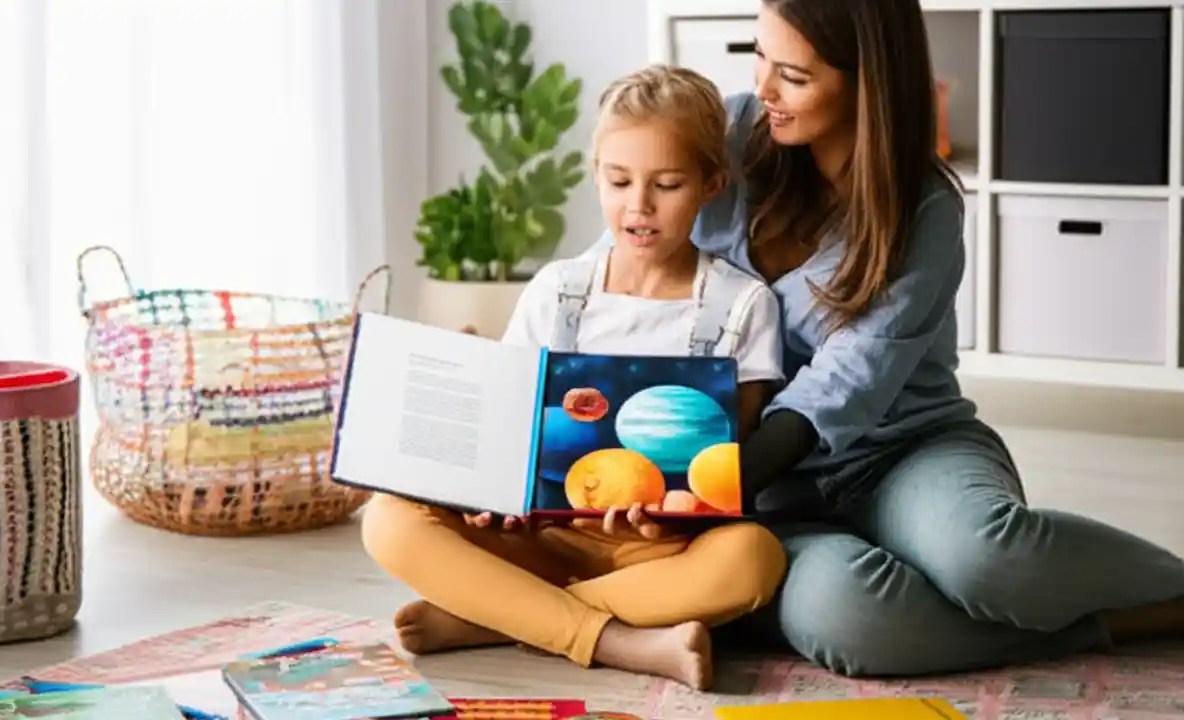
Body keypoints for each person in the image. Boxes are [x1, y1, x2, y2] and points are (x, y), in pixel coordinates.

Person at [593, 0, 1181, 677]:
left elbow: (846, 382)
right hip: (769, 495)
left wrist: (713, 489)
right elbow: (622, 266)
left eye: (794, 76)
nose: (764, 88)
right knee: (849, 617)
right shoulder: (722, 136)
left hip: (904, 451)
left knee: (989, 557)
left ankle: (1172, 591)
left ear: (867, 81)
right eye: (759, 56)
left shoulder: (924, 206)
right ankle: (1096, 626)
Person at [361, 65, 789, 691]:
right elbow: (509, 429)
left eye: (667, 184)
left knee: (754, 559)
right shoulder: (557, 289)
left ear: (711, 184)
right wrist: (492, 500)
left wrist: (669, 520)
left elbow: (726, 463)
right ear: (596, 176)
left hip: (660, 550)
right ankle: (620, 641)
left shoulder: (744, 306)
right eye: (619, 181)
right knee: (386, 518)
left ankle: (495, 617)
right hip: (545, 537)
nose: (638, 205)